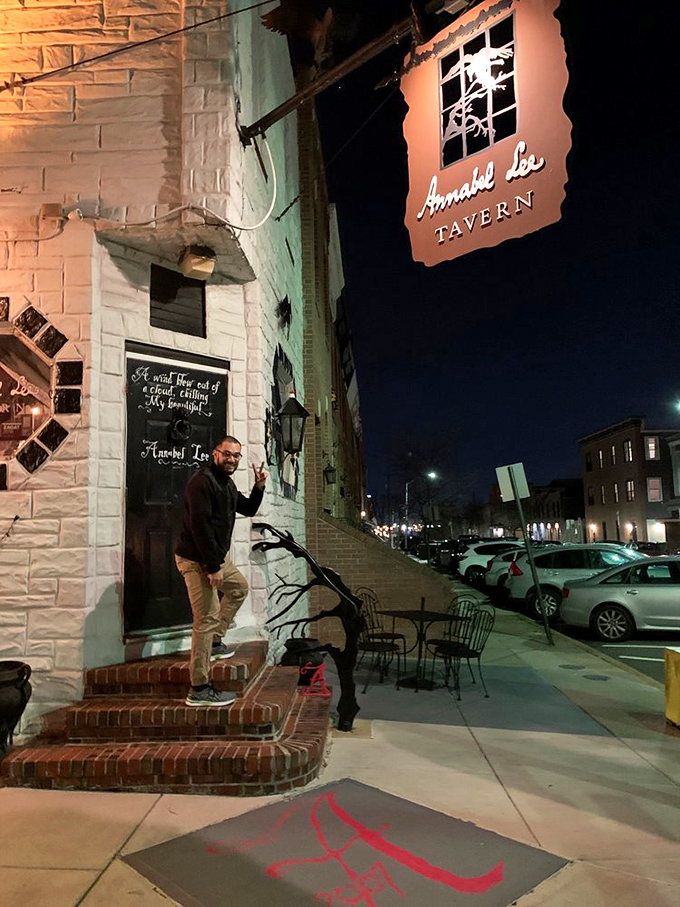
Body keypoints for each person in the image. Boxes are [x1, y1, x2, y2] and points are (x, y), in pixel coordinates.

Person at [175, 436, 267, 706]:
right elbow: (199, 526)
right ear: (215, 454)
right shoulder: (202, 482)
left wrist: (259, 487)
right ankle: (199, 687)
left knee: (239, 589)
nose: (232, 460)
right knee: (206, 617)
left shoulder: (226, 484)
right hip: (196, 559)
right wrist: (212, 567)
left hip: (216, 556)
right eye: (227, 454)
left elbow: (248, 509)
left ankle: (215, 641)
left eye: (236, 456)